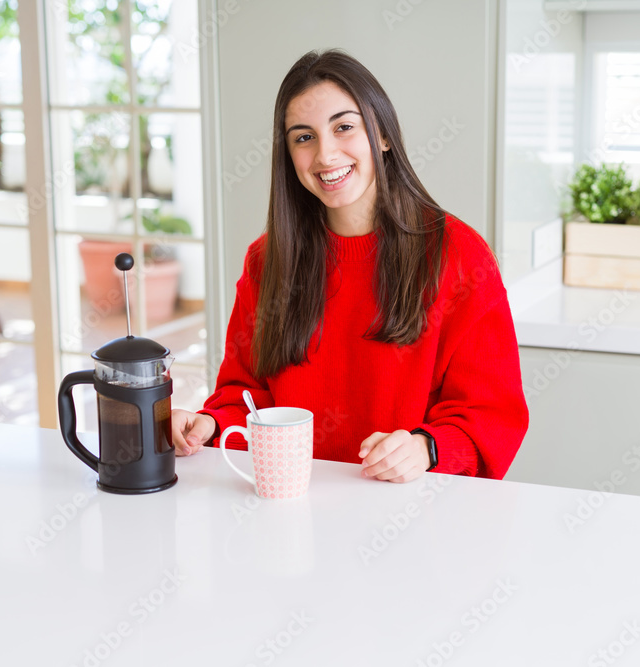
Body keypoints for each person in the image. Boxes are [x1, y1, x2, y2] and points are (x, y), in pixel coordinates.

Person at [171, 49, 528, 482]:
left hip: (409, 514)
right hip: (290, 511)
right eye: (304, 137)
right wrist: (210, 423)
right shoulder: (267, 261)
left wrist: (426, 448)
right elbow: (243, 396)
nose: (325, 155)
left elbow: (491, 418)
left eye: (344, 127)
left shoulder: (460, 256)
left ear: (383, 136)